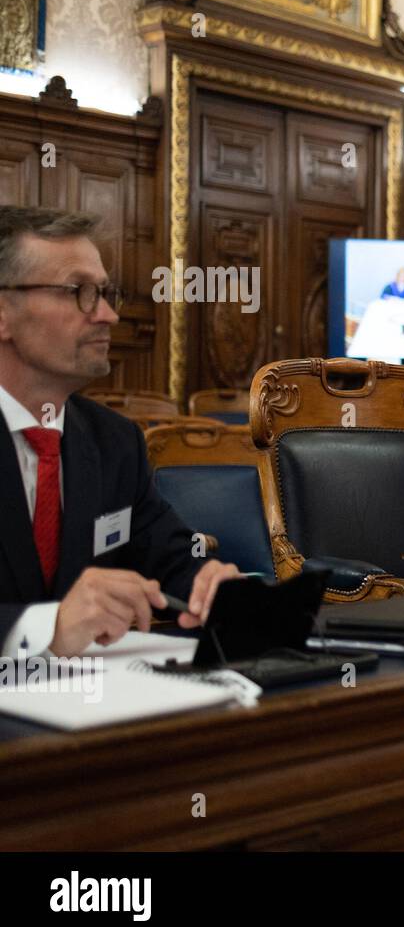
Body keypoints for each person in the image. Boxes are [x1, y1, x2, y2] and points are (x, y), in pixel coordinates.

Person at [0, 206, 239, 657]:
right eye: (80, 292)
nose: (108, 315)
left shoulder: (113, 441)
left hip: (98, 713)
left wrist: (209, 582)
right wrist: (45, 627)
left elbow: (170, 555)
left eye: (107, 293)